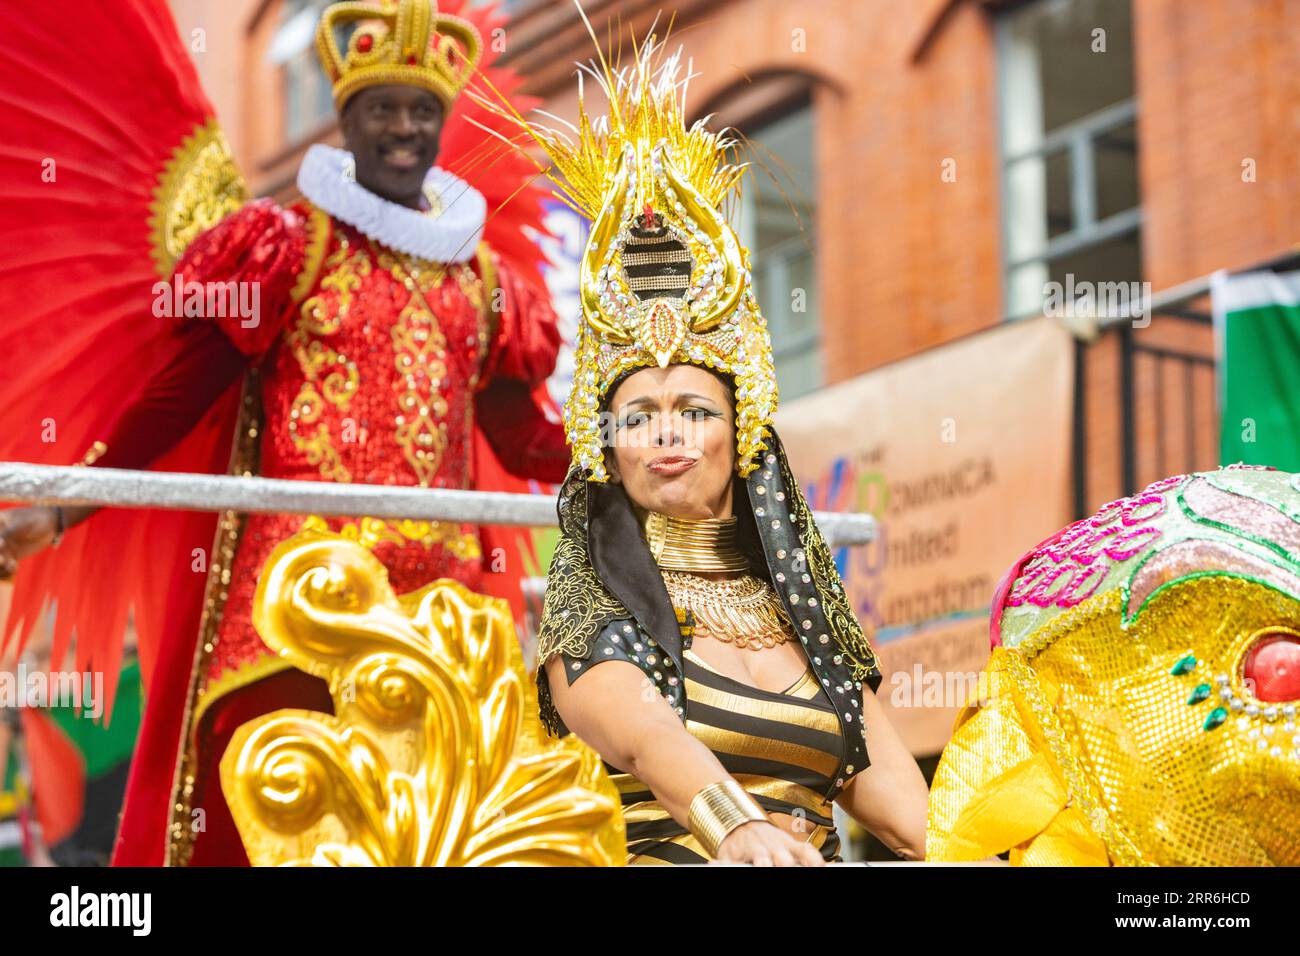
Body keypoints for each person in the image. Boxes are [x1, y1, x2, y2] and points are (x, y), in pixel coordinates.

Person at [0, 0, 567, 865]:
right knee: (265, 812)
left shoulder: (483, 281)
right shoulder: (289, 247)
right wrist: (65, 504)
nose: (404, 130)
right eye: (382, 110)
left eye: (421, 112)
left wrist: (635, 456)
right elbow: (178, 397)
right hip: (291, 604)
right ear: (346, 120)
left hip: (438, 614)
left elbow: (522, 437)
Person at [499, 35, 930, 865]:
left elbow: (906, 812)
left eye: (692, 410)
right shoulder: (590, 606)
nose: (664, 431)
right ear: (606, 447)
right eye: (637, 416)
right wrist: (736, 824)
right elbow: (647, 740)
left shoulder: (808, 616)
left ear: (743, 430)